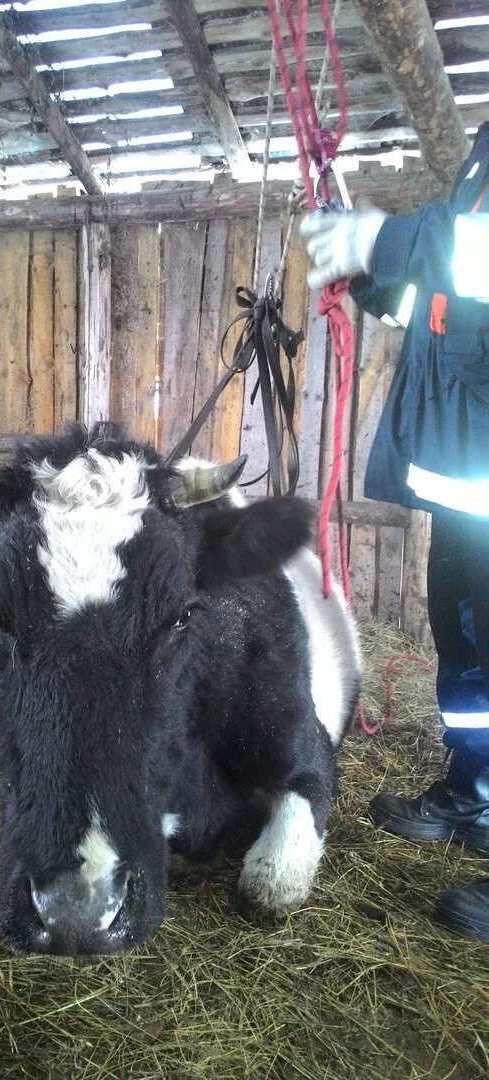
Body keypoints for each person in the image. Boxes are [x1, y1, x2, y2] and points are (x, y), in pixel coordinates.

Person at [300, 122, 489, 943]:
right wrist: (374, 276)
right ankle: (473, 789)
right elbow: (449, 300)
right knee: (466, 640)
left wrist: (388, 237)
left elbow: (461, 253)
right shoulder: (482, 149)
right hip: (470, 473)